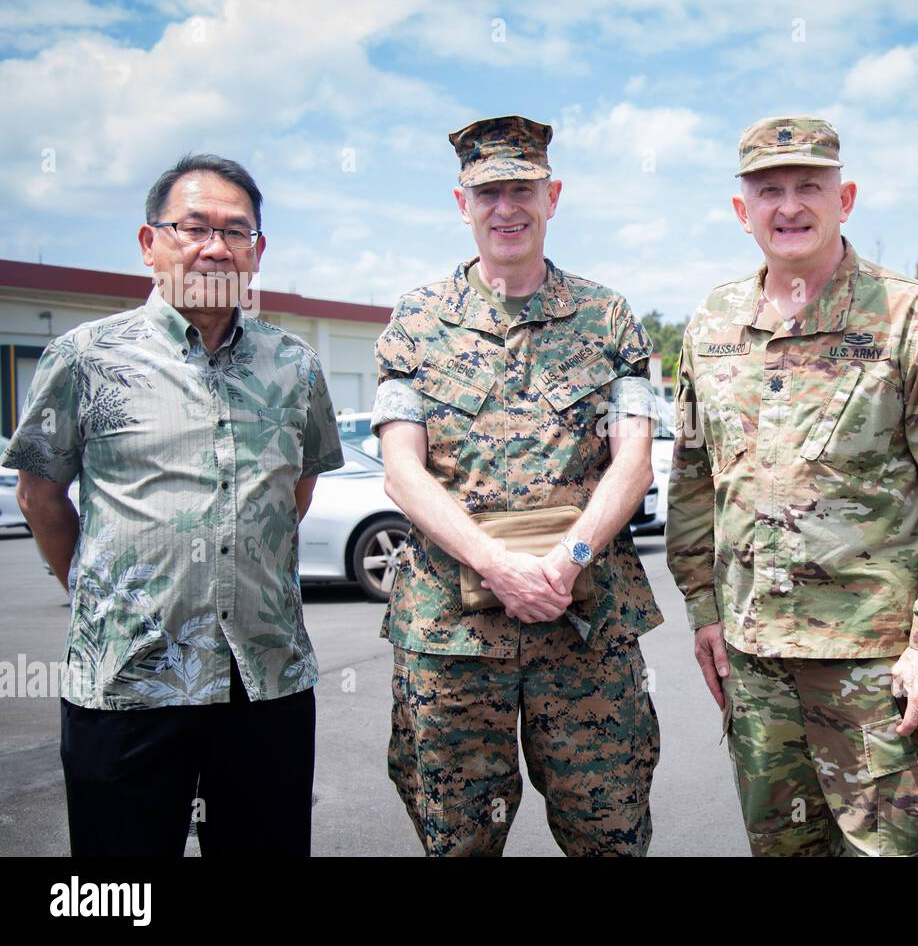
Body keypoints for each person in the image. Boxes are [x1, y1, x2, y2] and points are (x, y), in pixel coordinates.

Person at [666, 116, 918, 856]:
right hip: (756, 664)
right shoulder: (712, 324)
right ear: (742, 212)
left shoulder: (913, 318)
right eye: (769, 191)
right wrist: (702, 608)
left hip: (875, 663)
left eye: (809, 187)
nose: (789, 206)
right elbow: (694, 480)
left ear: (845, 198)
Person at [2, 154, 343, 856]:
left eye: (236, 231)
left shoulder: (295, 367)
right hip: (128, 680)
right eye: (193, 227)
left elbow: (294, 491)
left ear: (258, 251)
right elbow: (39, 496)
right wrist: (109, 592)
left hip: (265, 682)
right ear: (149, 243)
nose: (215, 246)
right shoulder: (85, 358)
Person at [372, 115, 662, 857]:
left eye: (522, 189)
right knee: (460, 840)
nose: (507, 207)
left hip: (582, 626)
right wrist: (498, 566)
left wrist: (565, 562)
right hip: (454, 639)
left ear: (553, 195)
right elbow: (402, 470)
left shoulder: (608, 318)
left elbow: (634, 460)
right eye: (488, 191)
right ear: (461, 203)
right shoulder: (416, 322)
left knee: (612, 836)